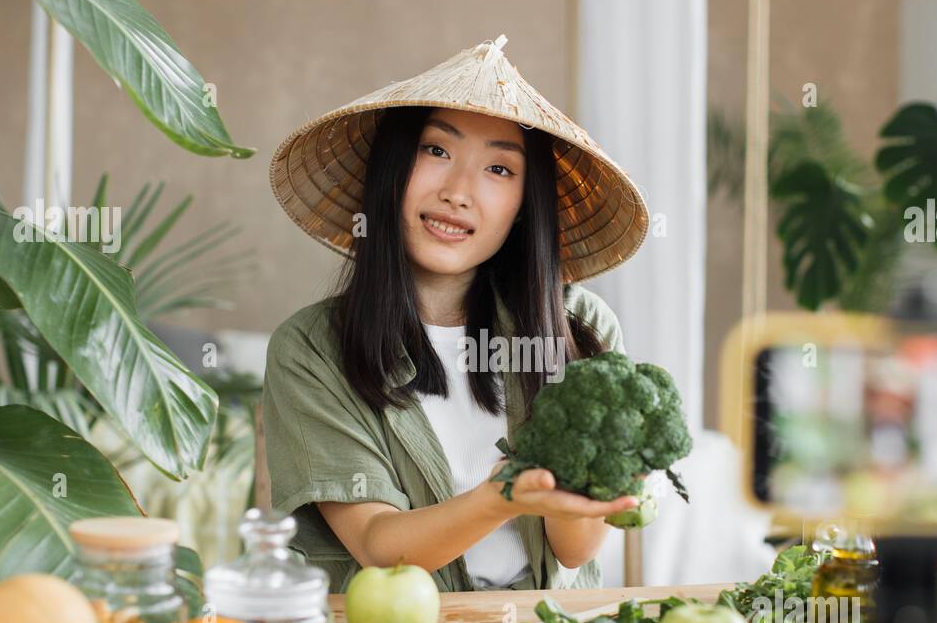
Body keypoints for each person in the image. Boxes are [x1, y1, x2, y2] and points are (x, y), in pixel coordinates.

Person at [263, 35, 650, 592]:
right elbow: (380, 546)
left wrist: (588, 484)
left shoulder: (580, 328)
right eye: (436, 151)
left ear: (523, 206)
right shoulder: (312, 348)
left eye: (499, 170)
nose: (459, 192)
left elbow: (575, 552)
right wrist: (501, 497)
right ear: (391, 170)